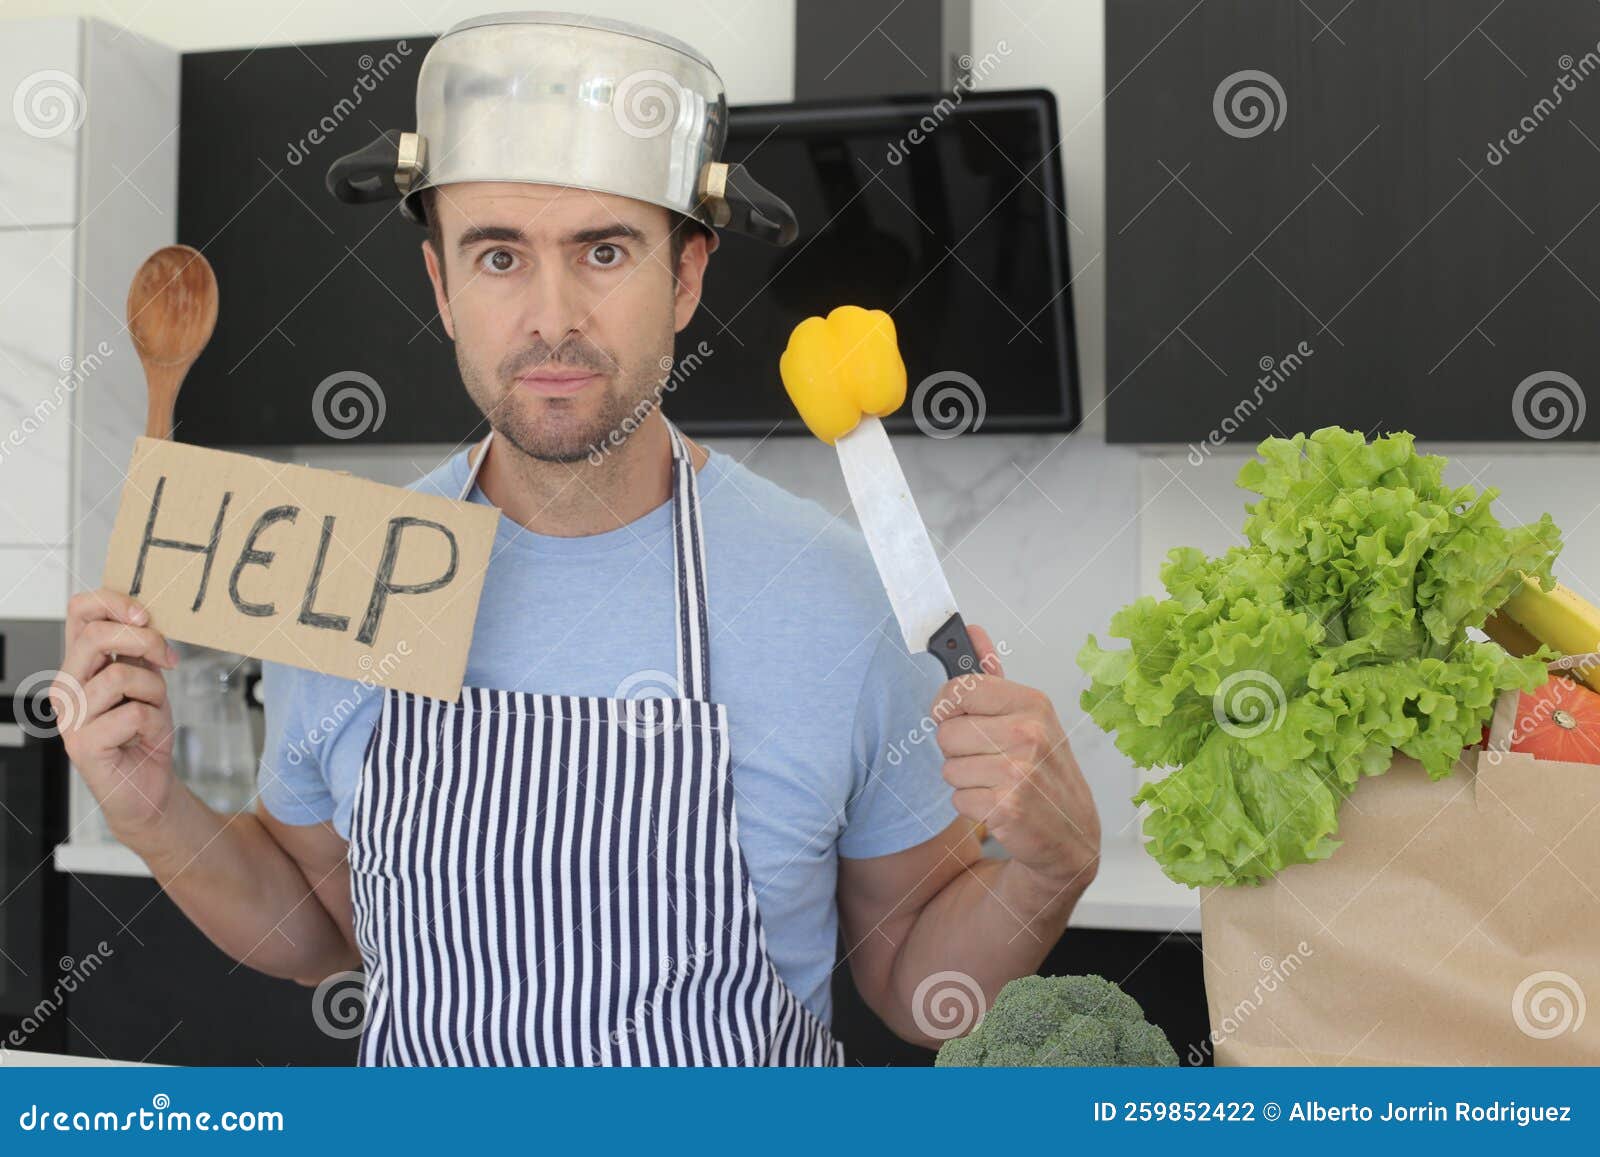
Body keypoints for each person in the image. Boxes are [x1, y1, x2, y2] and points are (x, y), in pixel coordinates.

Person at [56, 11, 1099, 1066]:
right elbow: (319, 931)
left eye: (603, 250)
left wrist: (1050, 869)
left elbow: (916, 983)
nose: (551, 317)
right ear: (442, 287)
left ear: (685, 277)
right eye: (498, 254)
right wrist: (151, 810)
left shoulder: (834, 592)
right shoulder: (348, 572)